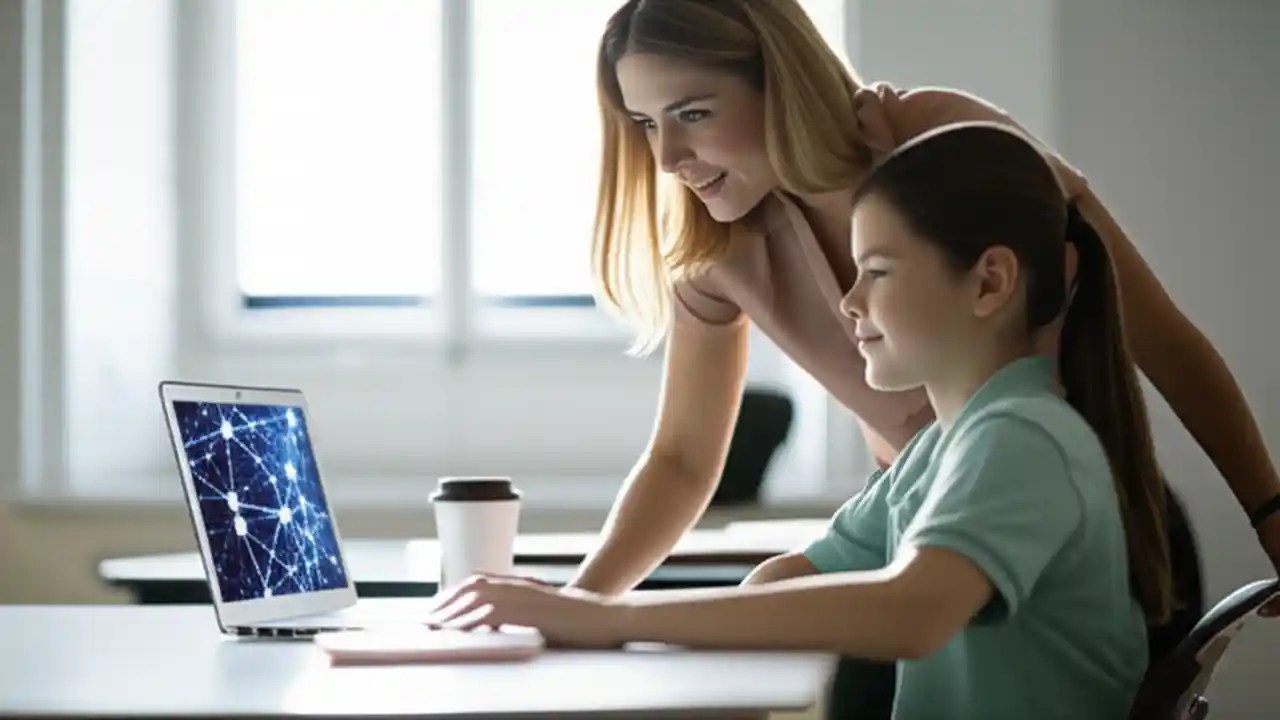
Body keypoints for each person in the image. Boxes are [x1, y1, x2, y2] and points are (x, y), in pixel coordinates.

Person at [428, 122, 1170, 718]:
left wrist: (611, 619)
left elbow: (912, 611)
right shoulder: (944, 447)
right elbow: (787, 580)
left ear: (989, 282)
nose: (849, 303)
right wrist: (617, 622)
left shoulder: (1024, 436)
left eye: (876, 272)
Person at [572, 0, 1280, 605]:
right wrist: (577, 607)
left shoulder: (940, 140)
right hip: (913, 533)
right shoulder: (714, 250)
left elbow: (1165, 344)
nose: (666, 157)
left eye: (692, 113)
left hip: (1074, 527)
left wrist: (1270, 512)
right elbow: (684, 459)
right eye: (644, 124)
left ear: (778, 83)